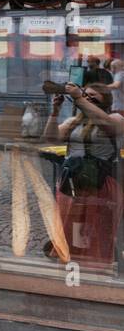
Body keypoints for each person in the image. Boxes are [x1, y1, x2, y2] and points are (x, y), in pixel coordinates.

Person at [43, 81, 123, 266]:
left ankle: (96, 268)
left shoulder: (116, 119)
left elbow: (109, 126)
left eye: (92, 97)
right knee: (68, 226)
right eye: (85, 95)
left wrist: (79, 97)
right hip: (72, 183)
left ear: (105, 101)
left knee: (97, 229)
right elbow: (51, 137)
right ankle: (69, 264)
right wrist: (55, 113)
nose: (86, 99)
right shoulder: (74, 121)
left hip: (100, 184)